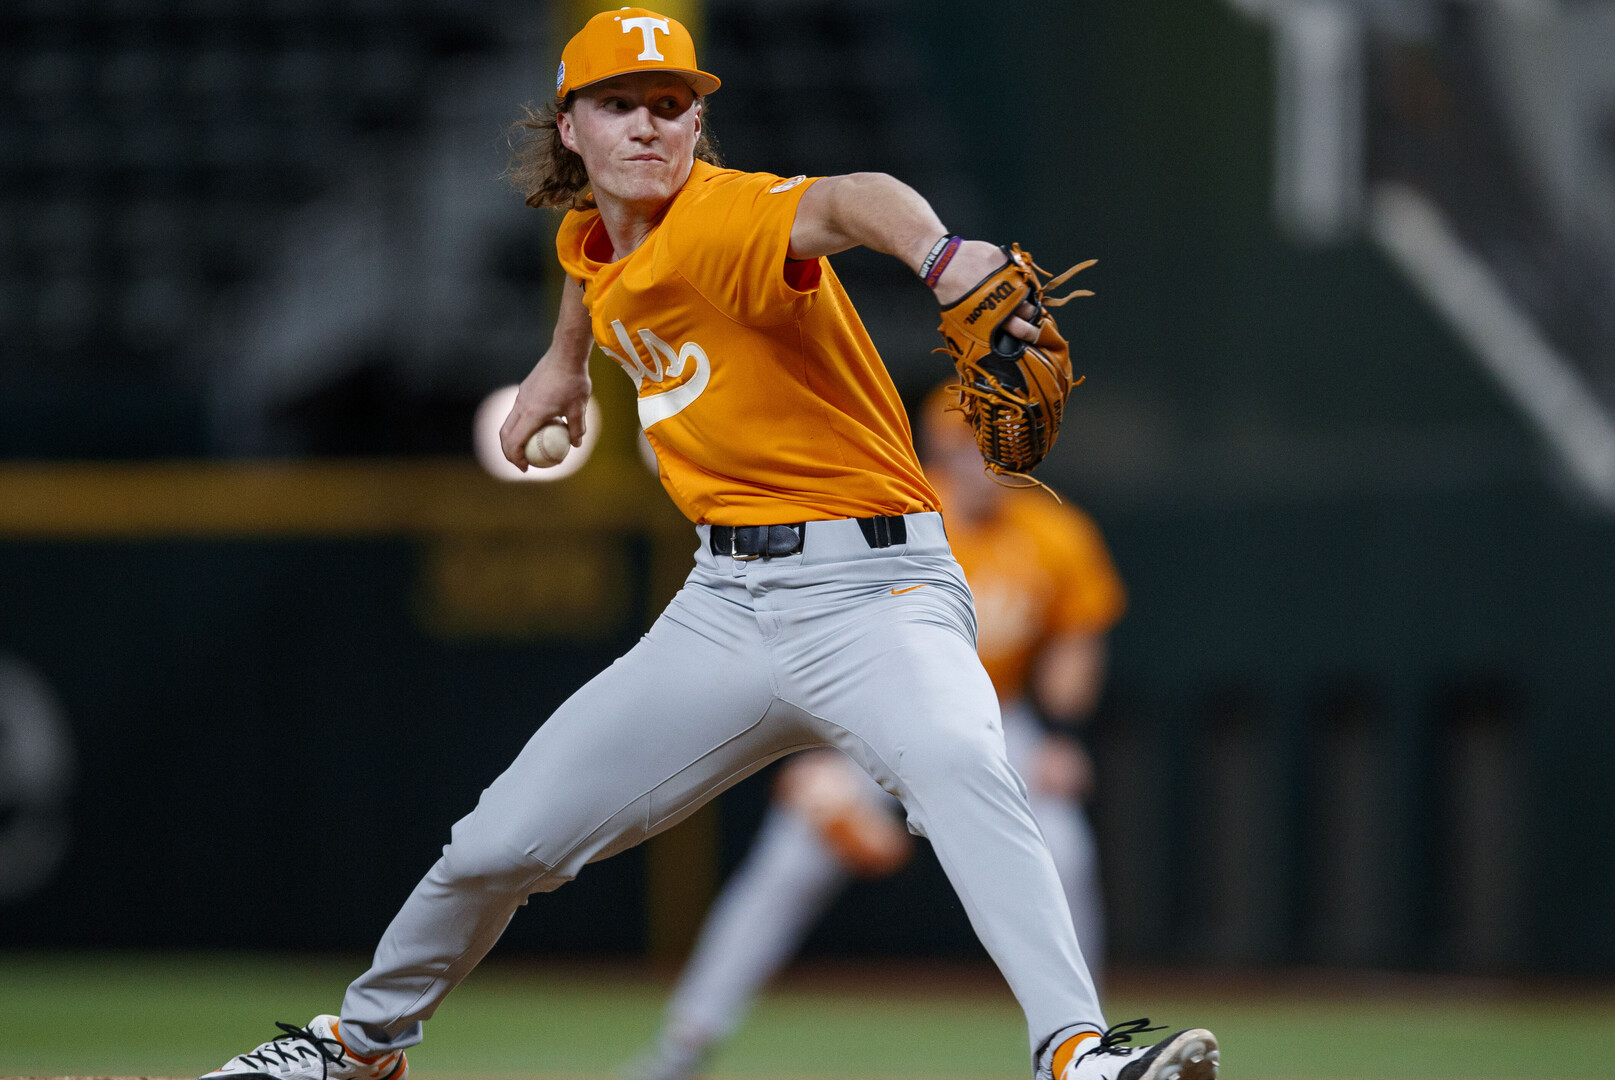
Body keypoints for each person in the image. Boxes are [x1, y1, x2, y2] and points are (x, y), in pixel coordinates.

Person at [197, 12, 1219, 1080]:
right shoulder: (594, 239)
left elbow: (849, 196)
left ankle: (1077, 1056)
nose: (650, 125)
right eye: (619, 103)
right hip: (723, 609)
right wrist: (558, 364)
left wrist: (941, 253)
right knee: (496, 845)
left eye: (672, 104)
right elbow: (594, 264)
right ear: (570, 128)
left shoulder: (732, 218)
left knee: (967, 767)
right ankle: (356, 1048)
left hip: (877, 592)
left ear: (697, 122)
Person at [630, 385, 1126, 1080]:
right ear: (935, 451)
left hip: (997, 713)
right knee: (791, 860)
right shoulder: (897, 519)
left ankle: (1081, 1052)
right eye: (965, 447)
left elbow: (1077, 640)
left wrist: (1066, 735)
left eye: (992, 447)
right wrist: (815, 745)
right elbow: (828, 636)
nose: (979, 463)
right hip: (878, 709)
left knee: (1065, 851)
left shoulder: (1053, 531)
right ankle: (683, 1045)